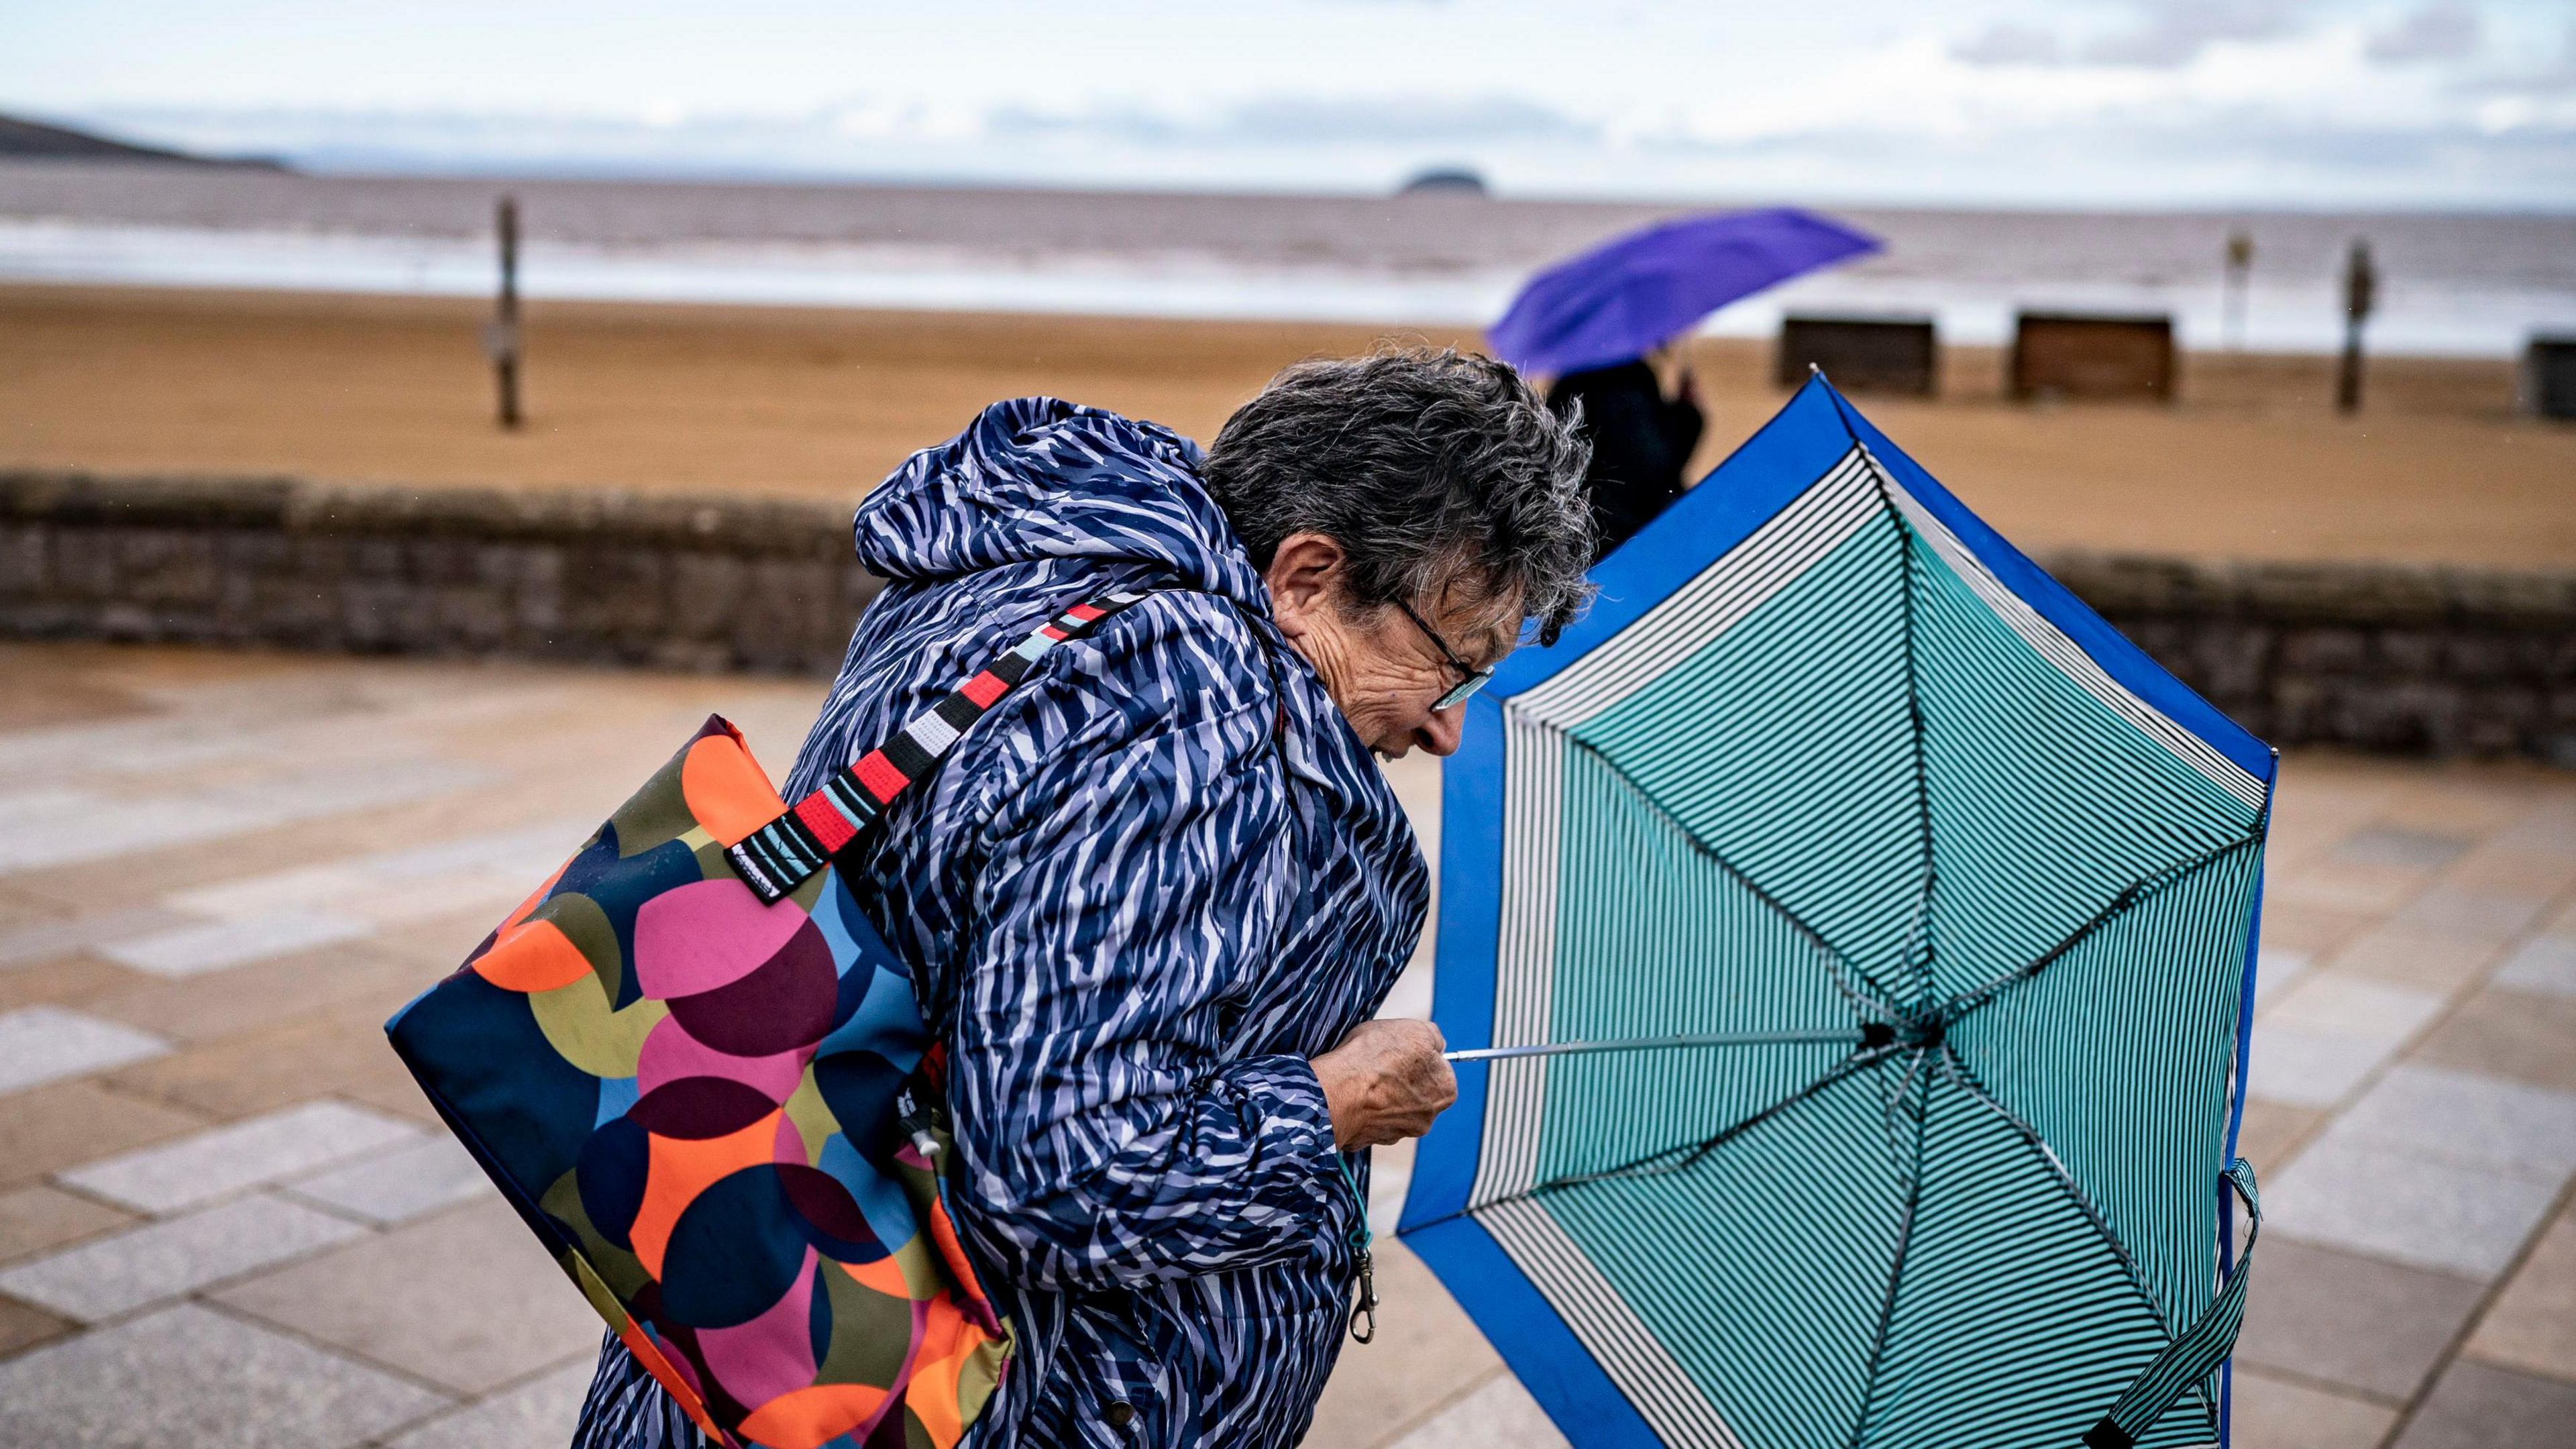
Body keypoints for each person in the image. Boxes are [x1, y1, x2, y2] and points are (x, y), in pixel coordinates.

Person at [572, 347, 1595, 1448]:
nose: (1446, 728)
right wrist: (1334, 1101)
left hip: (756, 1348)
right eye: (1454, 664)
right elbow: (1065, 1179)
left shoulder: (1047, 573)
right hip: (952, 1405)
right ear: (1306, 576)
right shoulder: (1183, 712)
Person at [1545, 339, 1704, 558]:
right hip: (1628, 536)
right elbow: (1651, 463)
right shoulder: (1627, 388)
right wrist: (1688, 416)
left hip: (1581, 539)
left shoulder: (1569, 386)